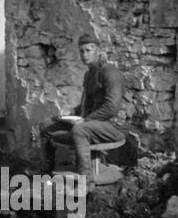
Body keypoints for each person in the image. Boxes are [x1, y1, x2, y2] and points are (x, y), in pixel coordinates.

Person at [42, 33, 126, 179]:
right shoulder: (89, 74)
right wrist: (70, 113)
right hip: (90, 124)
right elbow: (87, 104)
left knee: (80, 129)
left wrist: (85, 120)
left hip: (111, 127)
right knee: (46, 125)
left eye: (89, 50)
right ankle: (46, 169)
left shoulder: (110, 72)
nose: (84, 54)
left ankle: (87, 180)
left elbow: (112, 107)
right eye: (81, 51)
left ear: (98, 50)